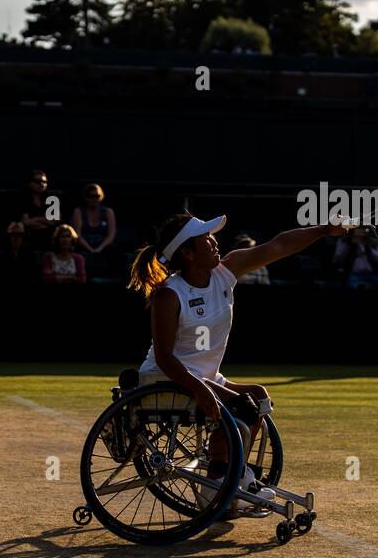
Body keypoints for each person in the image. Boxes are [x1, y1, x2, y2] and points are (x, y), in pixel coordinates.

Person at [129, 212, 351, 513]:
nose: (214, 242)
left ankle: (229, 470)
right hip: (166, 379)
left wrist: (325, 229)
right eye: (206, 239)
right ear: (188, 253)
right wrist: (198, 387)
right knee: (243, 408)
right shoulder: (169, 294)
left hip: (206, 377)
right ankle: (217, 484)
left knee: (258, 396)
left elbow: (278, 245)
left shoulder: (225, 271)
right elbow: (165, 358)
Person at [70, 183, 116, 273]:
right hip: (83, 246)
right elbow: (77, 234)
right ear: (85, 197)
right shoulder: (78, 211)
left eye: (97, 196)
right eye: (91, 196)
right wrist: (89, 249)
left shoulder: (108, 212)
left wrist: (100, 248)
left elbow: (111, 235)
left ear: (101, 197)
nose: (94, 199)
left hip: (104, 246)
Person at [0, 220, 38, 288]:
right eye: (13, 235)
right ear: (8, 237)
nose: (16, 239)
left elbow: (31, 277)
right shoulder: (0, 256)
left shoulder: (29, 256)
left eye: (19, 235)